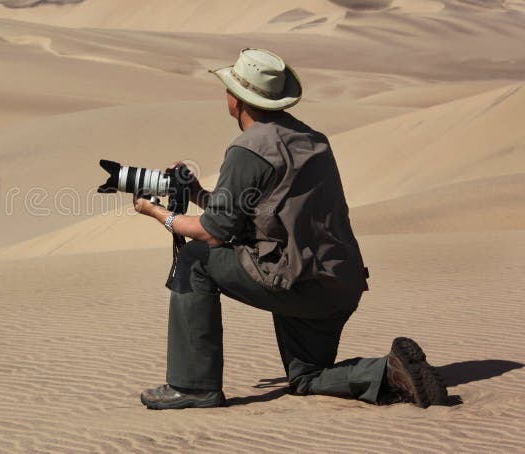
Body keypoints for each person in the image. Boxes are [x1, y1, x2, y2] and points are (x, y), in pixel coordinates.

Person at [133, 48, 449, 410]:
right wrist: (196, 194)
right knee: (307, 378)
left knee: (195, 259)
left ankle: (192, 388)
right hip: (337, 284)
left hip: (292, 282)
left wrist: (159, 214)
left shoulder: (248, 148)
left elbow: (213, 233)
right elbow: (250, 213)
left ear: (236, 100)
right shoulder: (312, 140)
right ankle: (389, 371)